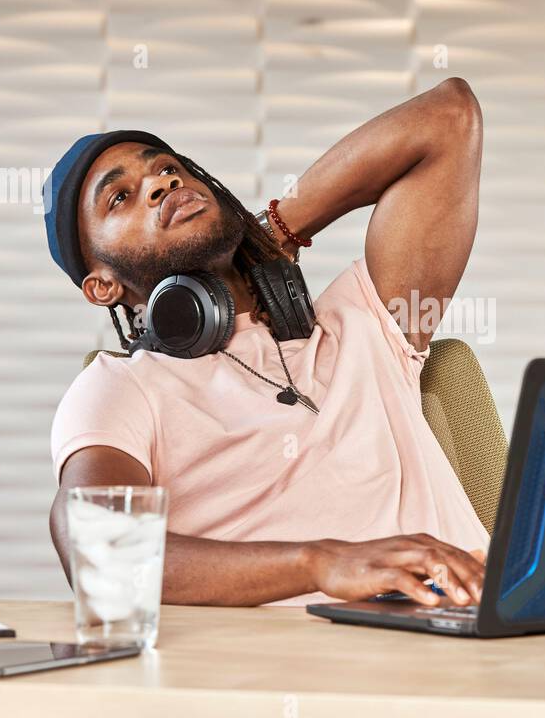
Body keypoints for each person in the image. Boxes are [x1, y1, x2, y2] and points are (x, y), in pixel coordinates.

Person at [43, 78, 490, 623]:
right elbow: (101, 552)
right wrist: (321, 563)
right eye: (121, 197)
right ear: (103, 286)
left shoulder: (366, 322)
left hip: (486, 634)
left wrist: (277, 229)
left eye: (168, 169)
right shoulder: (122, 387)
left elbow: (449, 117)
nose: (161, 184)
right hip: (317, 670)